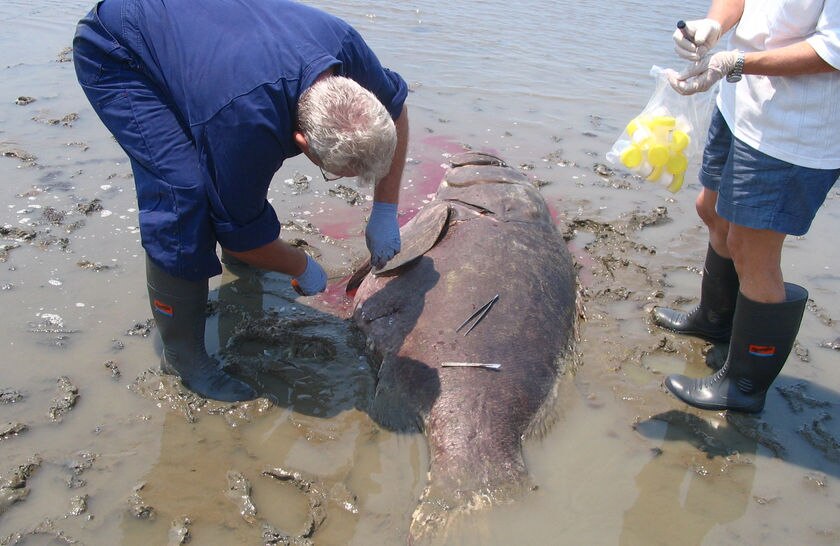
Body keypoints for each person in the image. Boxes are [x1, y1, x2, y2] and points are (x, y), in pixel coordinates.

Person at [72, 0, 409, 402]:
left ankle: (241, 260)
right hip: (120, 46)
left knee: (234, 176)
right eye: (333, 173)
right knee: (183, 192)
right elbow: (240, 236)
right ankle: (183, 358)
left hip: (205, 40)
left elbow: (396, 110)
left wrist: (385, 210)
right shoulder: (243, 120)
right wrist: (301, 265)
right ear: (301, 142)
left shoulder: (347, 49)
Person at [652, 0, 840, 412]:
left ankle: (744, 385)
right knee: (711, 209)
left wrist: (736, 62)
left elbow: (832, 51)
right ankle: (715, 319)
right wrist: (713, 25)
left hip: (794, 131)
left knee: (752, 249)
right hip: (740, 105)